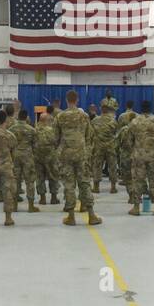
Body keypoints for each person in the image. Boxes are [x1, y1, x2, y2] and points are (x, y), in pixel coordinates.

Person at [54, 90, 101, 225]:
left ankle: (71, 216)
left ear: (66, 100)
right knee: (84, 182)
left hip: (66, 153)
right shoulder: (84, 116)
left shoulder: (60, 116)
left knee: (69, 185)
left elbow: (55, 138)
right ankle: (91, 215)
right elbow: (89, 136)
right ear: (78, 100)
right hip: (81, 153)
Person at [127, 100, 154, 216]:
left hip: (139, 156)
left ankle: (136, 207)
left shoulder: (134, 122)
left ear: (141, 109)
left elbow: (129, 141)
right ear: (151, 108)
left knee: (138, 181)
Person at [10, 109, 39, 210]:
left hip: (15, 156)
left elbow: (10, 144)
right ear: (26, 117)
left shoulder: (12, 129)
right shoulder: (32, 130)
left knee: (15, 180)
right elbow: (36, 146)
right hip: (27, 156)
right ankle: (31, 206)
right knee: (30, 180)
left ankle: (14, 205)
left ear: (18, 117)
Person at [34, 112, 62, 205]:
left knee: (40, 177)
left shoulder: (35, 130)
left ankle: (42, 198)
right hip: (50, 157)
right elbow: (56, 141)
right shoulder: (51, 130)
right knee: (53, 176)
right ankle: (54, 198)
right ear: (47, 120)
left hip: (38, 157)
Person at [90, 104, 119, 193]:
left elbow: (91, 134)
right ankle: (113, 187)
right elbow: (115, 133)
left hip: (99, 147)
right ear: (109, 110)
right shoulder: (113, 121)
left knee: (97, 166)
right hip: (110, 146)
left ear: (101, 110)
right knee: (112, 166)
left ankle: (96, 187)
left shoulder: (95, 120)